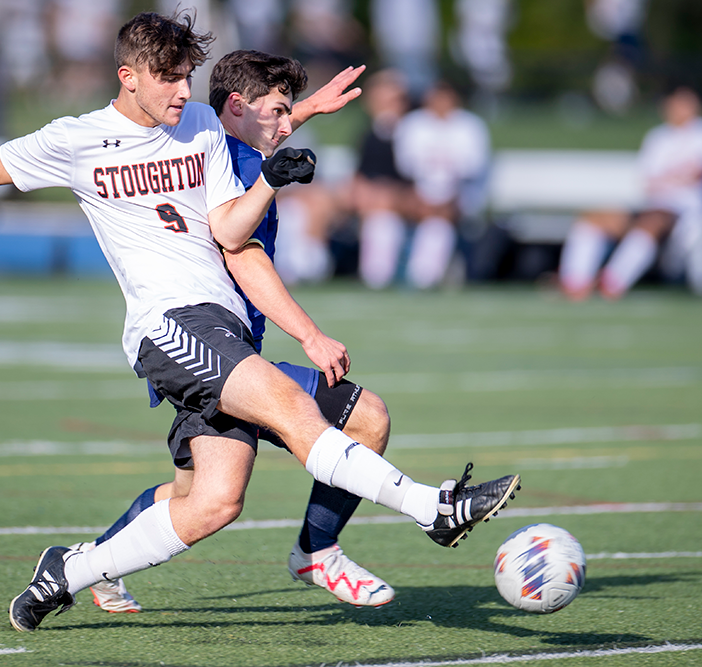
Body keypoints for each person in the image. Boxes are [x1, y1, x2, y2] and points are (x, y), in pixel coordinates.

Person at [0, 11, 520, 634]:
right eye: (170, 79)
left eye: (189, 77)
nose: (185, 91)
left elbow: (234, 239)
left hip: (228, 331)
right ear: (128, 77)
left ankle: (67, 573)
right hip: (169, 325)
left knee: (215, 503)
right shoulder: (78, 139)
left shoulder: (202, 125)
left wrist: (308, 327)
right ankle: (433, 508)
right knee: (295, 408)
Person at [71, 53, 401, 612]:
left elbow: (251, 132)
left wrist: (309, 108)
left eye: (289, 110)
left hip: (231, 349)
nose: (287, 121)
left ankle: (94, 559)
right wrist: (309, 335)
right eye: (279, 110)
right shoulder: (226, 161)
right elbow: (241, 252)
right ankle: (316, 551)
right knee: (364, 417)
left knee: (192, 494)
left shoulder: (234, 149)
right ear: (236, 107)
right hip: (204, 349)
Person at [558, 87, 702, 300]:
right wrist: (676, 177)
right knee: (593, 218)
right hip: (650, 205)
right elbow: (649, 180)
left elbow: (700, 173)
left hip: (686, 212)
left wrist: (672, 178)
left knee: (652, 222)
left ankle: (612, 283)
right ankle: (575, 283)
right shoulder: (658, 137)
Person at [390, 80, 490, 290]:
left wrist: (448, 197)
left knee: (440, 217)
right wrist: (420, 195)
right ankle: (383, 276)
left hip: (460, 194)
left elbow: (473, 169)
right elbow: (406, 167)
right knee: (388, 211)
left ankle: (425, 277)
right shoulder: (413, 124)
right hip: (419, 192)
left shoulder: (470, 126)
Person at [353, 69, 416, 290]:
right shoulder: (371, 132)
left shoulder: (415, 129)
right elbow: (363, 172)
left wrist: (387, 195)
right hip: (379, 198)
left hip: (412, 198)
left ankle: (381, 275)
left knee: (382, 208)